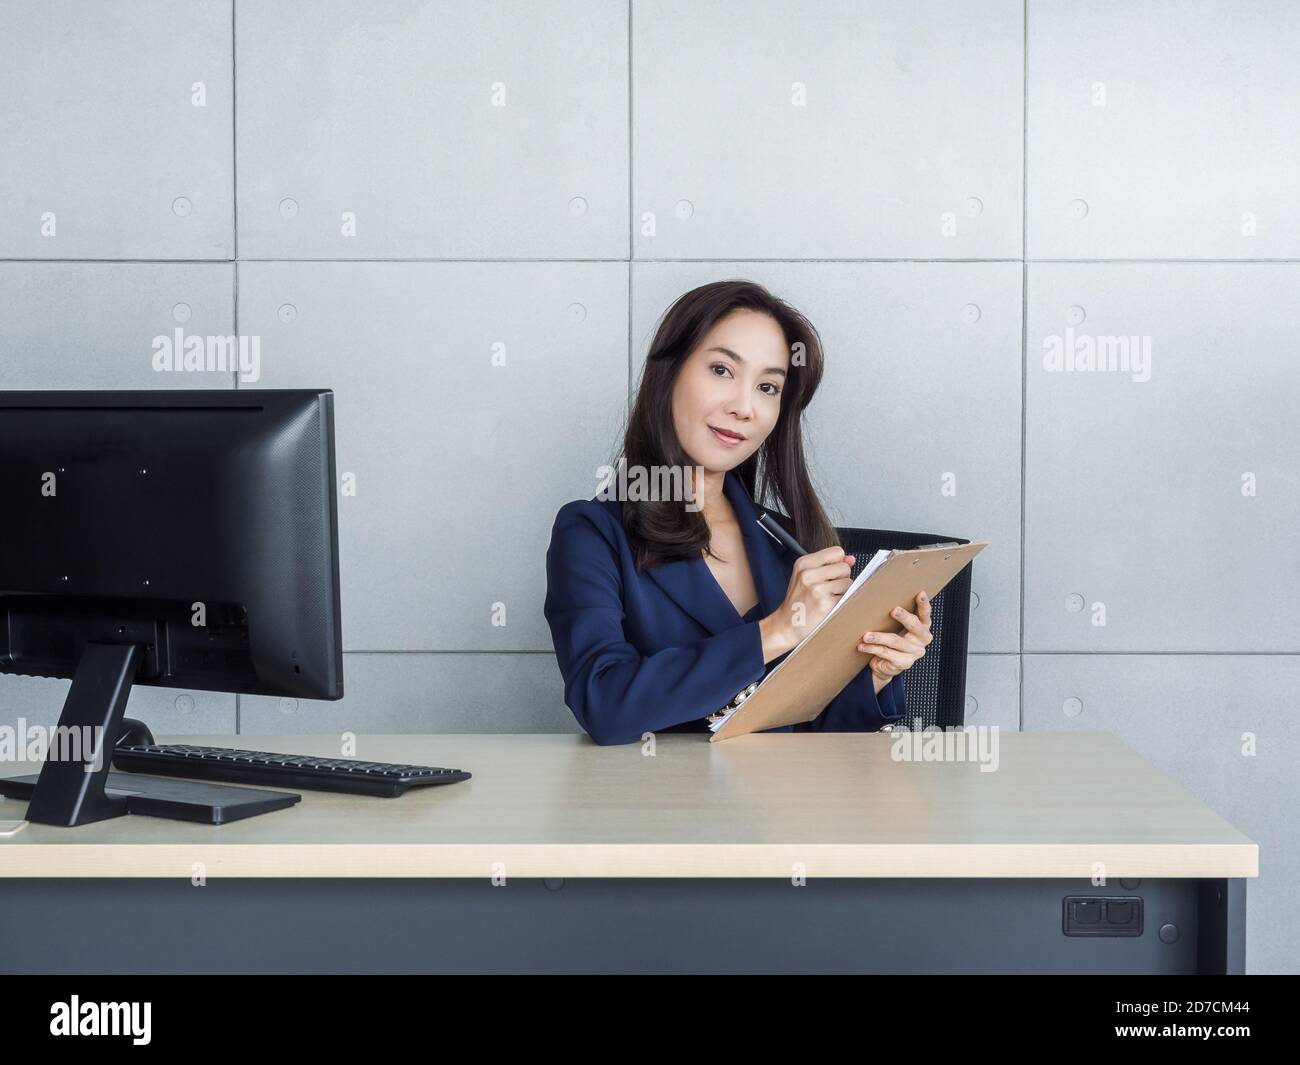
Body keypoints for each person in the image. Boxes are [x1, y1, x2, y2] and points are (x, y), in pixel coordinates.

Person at [544, 279, 932, 745]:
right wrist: (775, 630)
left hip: (785, 811)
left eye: (767, 386)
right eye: (722, 371)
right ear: (669, 373)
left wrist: (877, 672)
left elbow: (814, 730)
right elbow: (603, 704)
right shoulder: (593, 532)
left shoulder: (790, 540)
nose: (744, 407)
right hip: (658, 808)